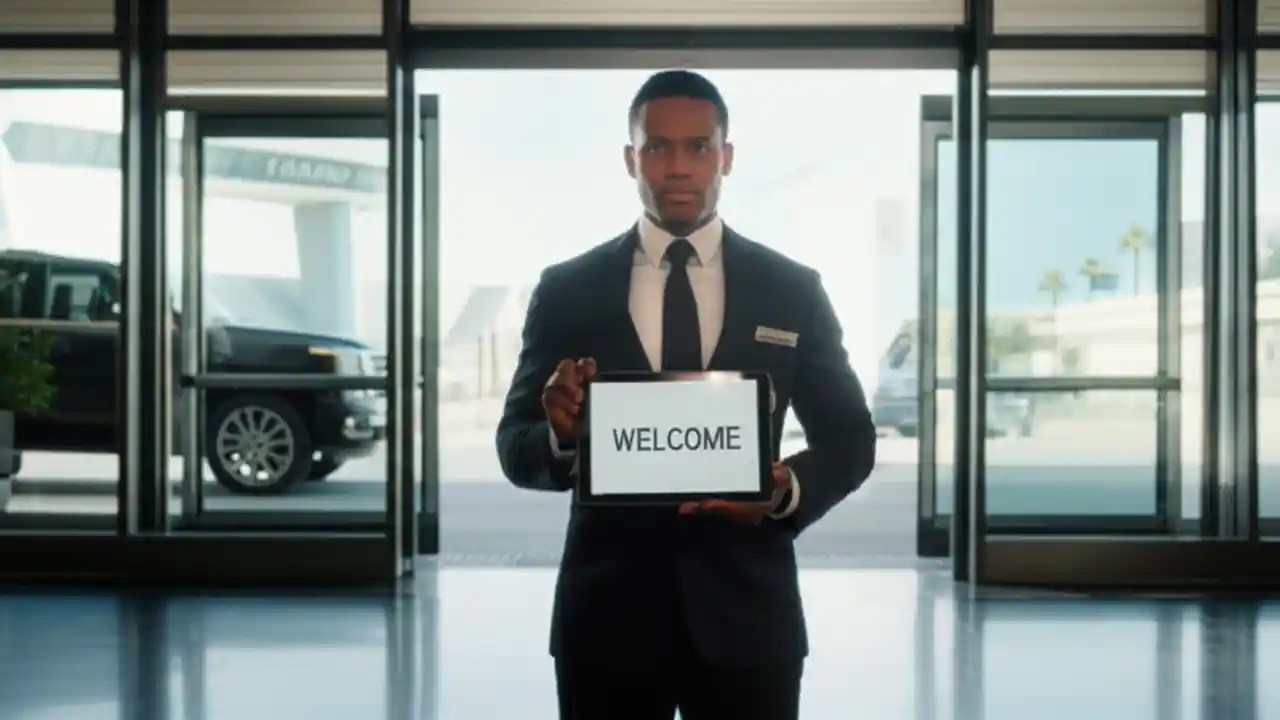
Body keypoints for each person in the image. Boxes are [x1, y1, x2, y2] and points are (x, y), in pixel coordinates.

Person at [495, 69, 877, 720]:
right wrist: (560, 434)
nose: (678, 167)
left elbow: (849, 441)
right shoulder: (567, 290)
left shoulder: (792, 289)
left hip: (751, 624)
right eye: (657, 147)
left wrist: (782, 492)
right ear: (630, 158)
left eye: (698, 147)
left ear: (726, 157)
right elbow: (516, 447)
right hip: (606, 627)